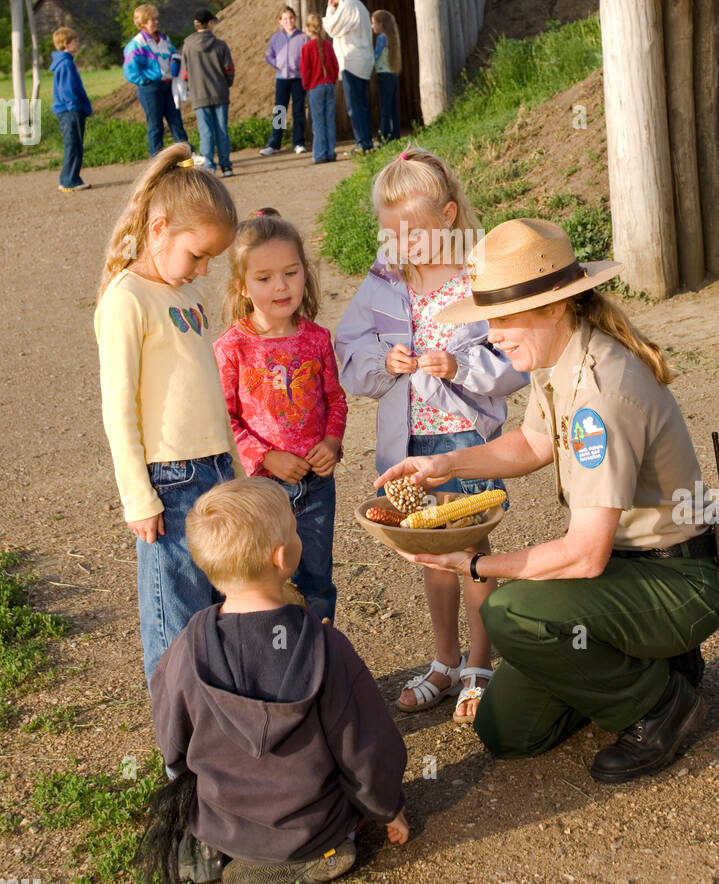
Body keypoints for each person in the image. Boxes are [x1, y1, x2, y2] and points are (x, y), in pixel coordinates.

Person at [377, 218, 719, 783]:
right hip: (623, 571)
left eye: (503, 319)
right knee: (506, 731)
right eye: (489, 318)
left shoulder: (600, 391)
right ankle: (645, 661)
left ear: (554, 306)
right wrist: (445, 464)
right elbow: (535, 442)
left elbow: (585, 555)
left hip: (674, 580)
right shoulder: (556, 355)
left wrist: (472, 564)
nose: (492, 334)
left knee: (509, 611)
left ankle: (661, 706)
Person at [138, 477, 408, 884]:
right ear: (282, 557)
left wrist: (188, 783)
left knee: (212, 809)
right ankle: (310, 858)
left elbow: (171, 736)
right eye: (295, 529)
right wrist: (387, 808)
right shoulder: (325, 647)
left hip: (220, 818)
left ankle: (217, 849)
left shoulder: (187, 647)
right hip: (307, 826)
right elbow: (367, 746)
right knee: (340, 824)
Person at [335, 149, 527, 721]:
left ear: (446, 217)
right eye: (390, 232)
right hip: (408, 441)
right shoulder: (383, 280)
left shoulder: (479, 275)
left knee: (467, 546)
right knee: (427, 550)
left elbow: (515, 355)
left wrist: (460, 366)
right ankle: (443, 662)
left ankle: (480, 661)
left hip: (465, 438)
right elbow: (348, 347)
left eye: (412, 232)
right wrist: (382, 360)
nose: (400, 243)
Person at [93, 144, 241, 686]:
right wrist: (138, 495)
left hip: (216, 471)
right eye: (197, 255)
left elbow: (205, 391)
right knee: (176, 620)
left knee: (222, 609)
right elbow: (119, 408)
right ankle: (180, 750)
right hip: (169, 482)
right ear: (158, 230)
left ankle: (219, 729)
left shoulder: (185, 293)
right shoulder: (126, 299)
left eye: (210, 260)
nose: (203, 269)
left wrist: (234, 468)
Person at [215, 210, 347, 622]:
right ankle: (273, 662)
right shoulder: (232, 347)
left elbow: (336, 401)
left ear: (304, 273)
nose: (280, 286)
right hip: (261, 492)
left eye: (290, 273)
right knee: (263, 583)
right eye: (265, 278)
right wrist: (266, 456)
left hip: (316, 488)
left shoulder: (317, 339)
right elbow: (224, 418)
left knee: (317, 580)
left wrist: (330, 442)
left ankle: (321, 661)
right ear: (242, 286)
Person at [123, 4, 191, 157]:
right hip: (151, 88)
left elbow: (173, 53)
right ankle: (157, 160)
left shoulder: (164, 39)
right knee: (156, 125)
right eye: (151, 20)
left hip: (167, 85)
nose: (155, 22)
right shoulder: (137, 44)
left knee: (176, 121)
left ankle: (187, 155)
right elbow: (129, 70)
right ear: (142, 23)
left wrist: (175, 62)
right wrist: (146, 80)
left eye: (155, 19)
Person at [322, 0, 374, 154]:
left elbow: (331, 28)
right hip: (355, 61)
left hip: (354, 62)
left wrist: (329, 11)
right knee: (359, 104)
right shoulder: (350, 6)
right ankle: (365, 142)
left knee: (355, 106)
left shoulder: (351, 6)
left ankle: (363, 144)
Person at [181, 9, 235, 177]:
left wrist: (193, 86)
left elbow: (184, 74)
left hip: (199, 95)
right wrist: (227, 83)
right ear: (210, 23)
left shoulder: (188, 45)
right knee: (222, 131)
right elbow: (229, 69)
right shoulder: (221, 45)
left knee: (205, 132)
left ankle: (209, 165)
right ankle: (226, 166)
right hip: (219, 92)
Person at [259, 6, 308, 157]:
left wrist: (300, 66)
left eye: (291, 18)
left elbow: (307, 57)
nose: (288, 21)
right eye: (285, 19)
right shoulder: (275, 38)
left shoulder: (303, 37)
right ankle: (274, 143)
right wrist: (278, 65)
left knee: (298, 110)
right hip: (281, 78)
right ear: (280, 21)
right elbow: (269, 55)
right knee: (280, 110)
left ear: (295, 19)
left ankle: (299, 142)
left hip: (298, 78)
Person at [50, 27, 92, 192]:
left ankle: (72, 178)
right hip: (70, 111)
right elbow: (68, 90)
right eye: (75, 40)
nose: (77, 43)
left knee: (74, 145)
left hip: (69, 111)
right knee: (73, 145)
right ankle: (69, 180)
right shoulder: (66, 63)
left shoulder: (65, 62)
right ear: (66, 44)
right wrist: (76, 107)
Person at [299, 13, 338, 164]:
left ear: (308, 29)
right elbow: (335, 65)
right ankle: (330, 152)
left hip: (315, 86)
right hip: (328, 84)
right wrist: (332, 80)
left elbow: (305, 70)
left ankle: (320, 153)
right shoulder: (328, 45)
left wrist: (307, 85)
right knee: (329, 120)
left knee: (318, 122)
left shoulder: (307, 48)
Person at [371, 9, 401, 145]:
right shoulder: (392, 37)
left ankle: (384, 137)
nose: (372, 27)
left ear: (381, 24)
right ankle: (395, 135)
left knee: (385, 108)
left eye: (374, 23)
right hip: (392, 76)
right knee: (393, 107)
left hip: (384, 76)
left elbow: (375, 55)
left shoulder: (382, 38)